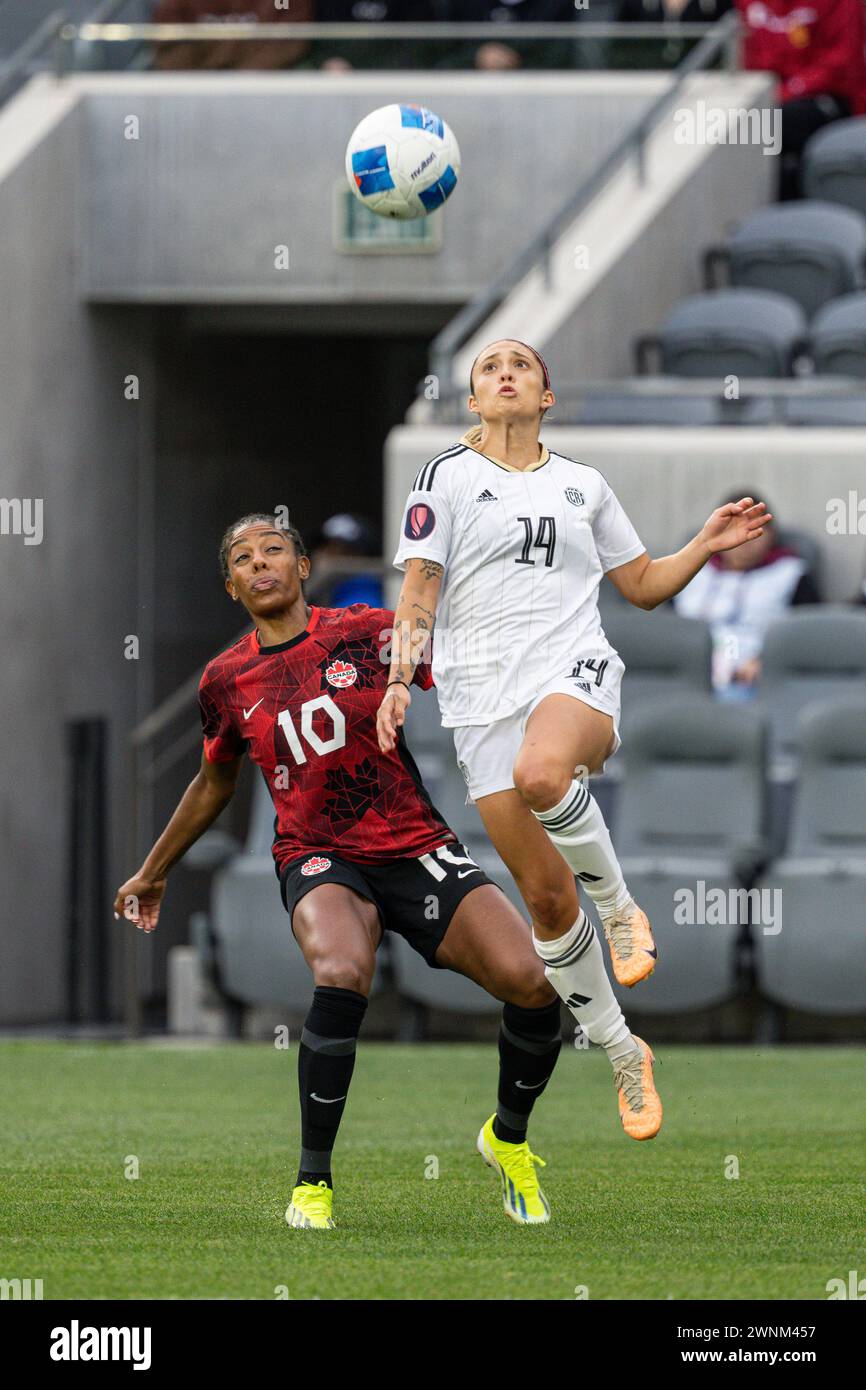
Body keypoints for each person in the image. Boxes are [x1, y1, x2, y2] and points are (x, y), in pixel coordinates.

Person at [114, 512, 615, 1230]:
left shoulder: (368, 631)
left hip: (414, 845)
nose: (261, 564)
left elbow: (469, 675)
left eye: (274, 550)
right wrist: (153, 869)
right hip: (317, 854)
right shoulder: (226, 680)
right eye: (244, 559)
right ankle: (312, 1185)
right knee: (343, 971)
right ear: (231, 587)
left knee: (535, 983)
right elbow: (214, 783)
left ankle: (506, 1138)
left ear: (303, 566)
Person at [379, 338, 770, 1117]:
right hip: (480, 701)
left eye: (520, 365)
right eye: (489, 368)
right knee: (550, 906)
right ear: (476, 399)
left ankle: (622, 910)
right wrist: (399, 679)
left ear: (546, 396)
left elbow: (642, 586)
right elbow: (420, 590)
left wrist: (701, 545)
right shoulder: (445, 478)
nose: (505, 374)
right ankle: (625, 1053)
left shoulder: (583, 485)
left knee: (544, 775)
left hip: (574, 671)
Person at [673, 493, 821, 696]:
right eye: (733, 528)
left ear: (772, 534)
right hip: (686, 675)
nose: (744, 538)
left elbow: (811, 633)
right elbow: (664, 627)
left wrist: (767, 662)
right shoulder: (691, 570)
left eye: (754, 528)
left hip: (753, 680)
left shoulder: (791, 574)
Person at [736, 0, 866, 200]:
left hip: (828, 98)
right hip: (768, 99)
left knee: (772, 125)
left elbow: (840, 63)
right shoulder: (748, 4)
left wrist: (785, 92)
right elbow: (751, 58)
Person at [151, 0, 313, 72]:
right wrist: (198, 83)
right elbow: (170, 41)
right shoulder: (178, 4)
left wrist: (244, 82)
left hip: (264, 94)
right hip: (195, 98)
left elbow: (288, 42)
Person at [309, 512, 384, 608]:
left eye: (339, 549)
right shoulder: (325, 592)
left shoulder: (362, 602)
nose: (326, 554)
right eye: (325, 546)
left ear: (359, 554)